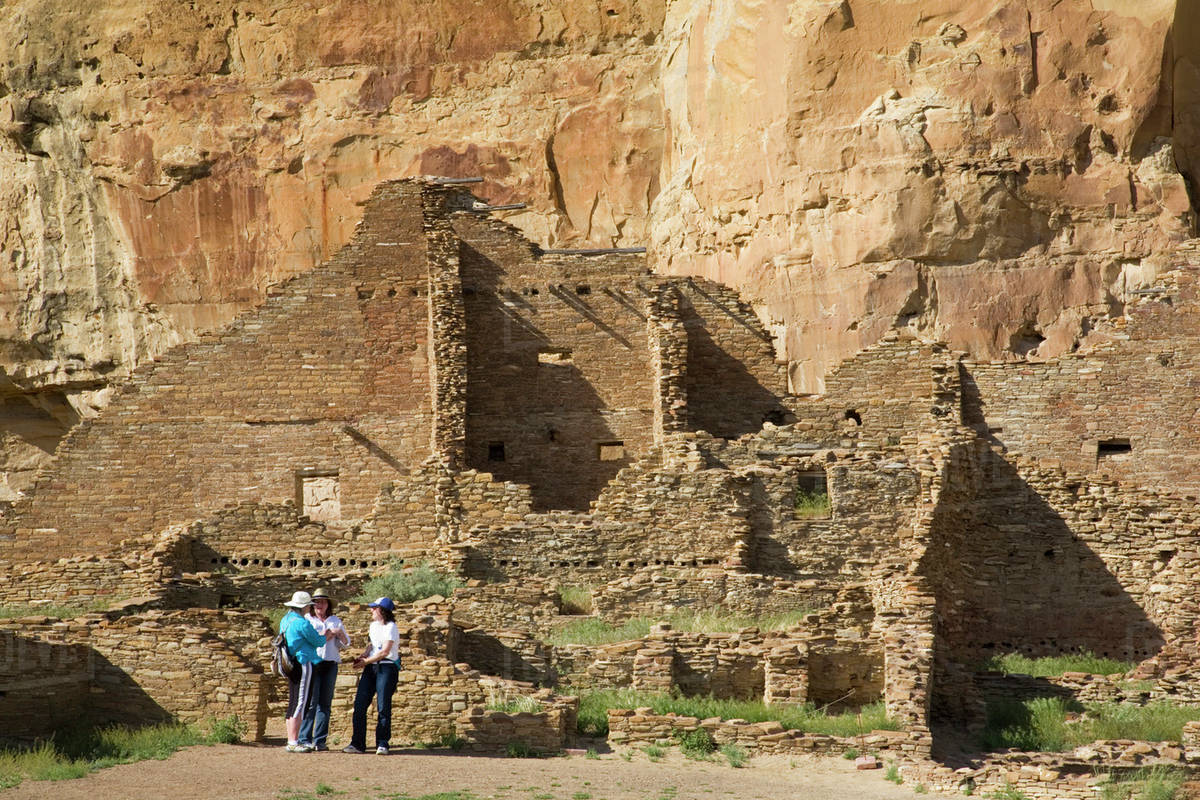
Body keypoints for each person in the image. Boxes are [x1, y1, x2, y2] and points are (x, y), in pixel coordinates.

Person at [344, 596, 401, 755]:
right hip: (371, 667)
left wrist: (366, 661)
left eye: (374, 608)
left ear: (383, 611)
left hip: (387, 667)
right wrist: (363, 656)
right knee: (360, 704)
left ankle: (382, 743)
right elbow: (372, 645)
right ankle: (357, 744)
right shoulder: (373, 625)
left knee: (383, 705)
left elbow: (385, 651)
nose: (371, 610)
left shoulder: (391, 627)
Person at [298, 588, 351, 751]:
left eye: (323, 602)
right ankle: (304, 738)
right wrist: (328, 634)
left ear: (328, 604)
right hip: (313, 663)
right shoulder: (307, 620)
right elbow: (314, 641)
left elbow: (346, 643)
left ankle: (319, 740)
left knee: (325, 703)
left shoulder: (335, 620)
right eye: (317, 602)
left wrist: (339, 633)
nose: (319, 605)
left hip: (330, 663)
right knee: (311, 703)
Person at [279, 590, 326, 753]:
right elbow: (318, 641)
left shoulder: (285, 620)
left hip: (289, 663)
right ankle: (293, 741)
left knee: (293, 701)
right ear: (305, 606)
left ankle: (292, 739)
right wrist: (326, 635)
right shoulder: (302, 623)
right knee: (300, 702)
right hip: (303, 662)